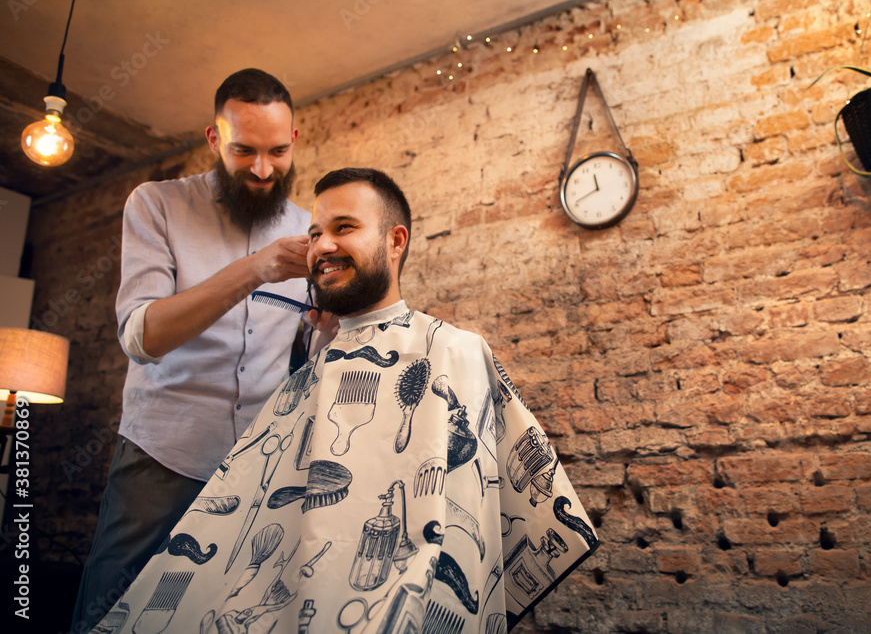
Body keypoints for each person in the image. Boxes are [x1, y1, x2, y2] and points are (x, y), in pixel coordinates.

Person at [86, 168, 599, 634]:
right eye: (314, 234)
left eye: (344, 228)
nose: (322, 246)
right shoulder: (310, 375)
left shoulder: (453, 351)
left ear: (395, 240)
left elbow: (496, 510)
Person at [72, 69, 336, 632]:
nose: (263, 169)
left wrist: (329, 329)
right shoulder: (157, 205)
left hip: (258, 461)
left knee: (216, 611)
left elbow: (306, 352)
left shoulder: (309, 228)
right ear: (215, 140)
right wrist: (255, 269)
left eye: (278, 151)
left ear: (294, 140)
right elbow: (143, 337)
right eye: (245, 151)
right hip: (162, 452)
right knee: (112, 610)